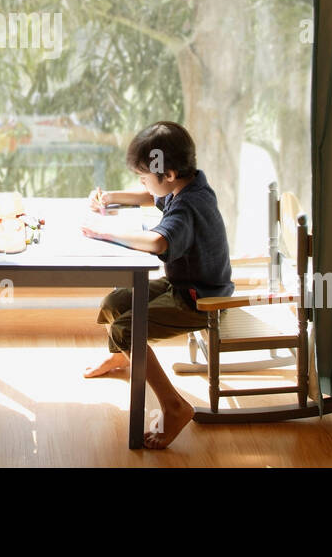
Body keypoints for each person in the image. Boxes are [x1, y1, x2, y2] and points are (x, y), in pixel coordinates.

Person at [79, 121, 233, 449]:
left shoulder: (189, 206)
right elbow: (153, 197)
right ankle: (125, 356)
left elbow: (158, 242)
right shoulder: (189, 186)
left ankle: (174, 407)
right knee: (114, 303)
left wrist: (105, 233)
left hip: (200, 300)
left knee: (125, 328)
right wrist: (112, 196)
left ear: (170, 173)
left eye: (144, 177)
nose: (143, 184)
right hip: (184, 283)